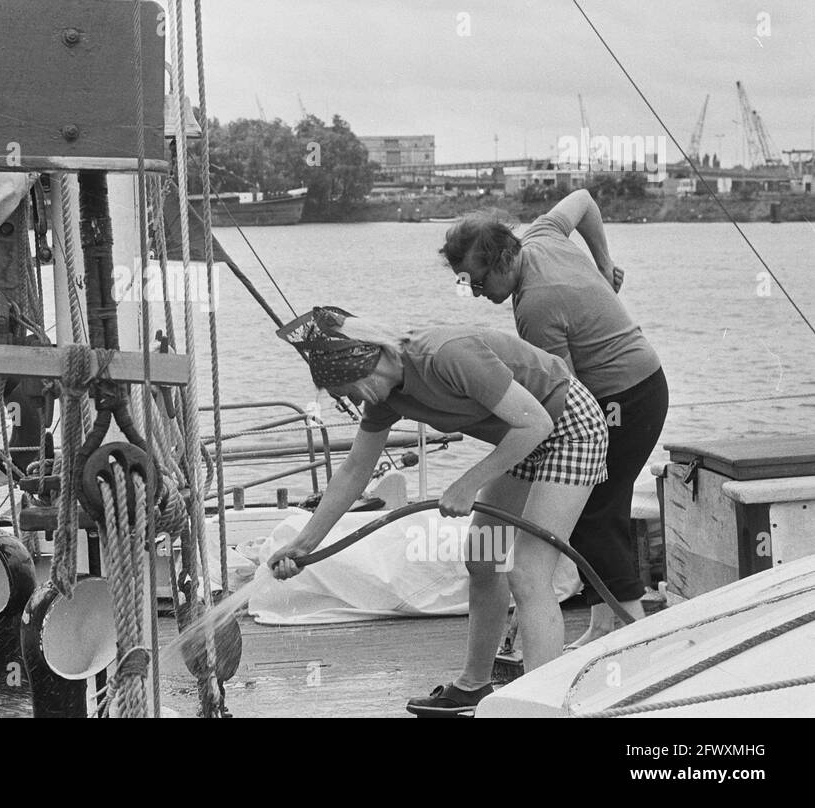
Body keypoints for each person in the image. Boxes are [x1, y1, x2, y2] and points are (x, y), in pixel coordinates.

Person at [267, 308, 608, 715]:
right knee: (484, 558)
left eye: (348, 389)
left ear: (364, 363)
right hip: (521, 441)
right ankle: (474, 686)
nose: (351, 400)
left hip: (568, 427)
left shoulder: (446, 356)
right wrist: (304, 544)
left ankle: (544, 707)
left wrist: (467, 483)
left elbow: (535, 424)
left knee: (529, 573)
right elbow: (355, 469)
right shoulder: (386, 396)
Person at [440, 190, 668, 645]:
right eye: (465, 284)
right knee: (599, 506)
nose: (476, 294)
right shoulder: (541, 235)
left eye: (479, 282)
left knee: (593, 513)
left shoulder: (535, 307)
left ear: (505, 259)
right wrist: (604, 263)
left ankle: (637, 634)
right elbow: (583, 200)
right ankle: (604, 624)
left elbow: (566, 397)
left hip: (627, 399)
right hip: (640, 385)